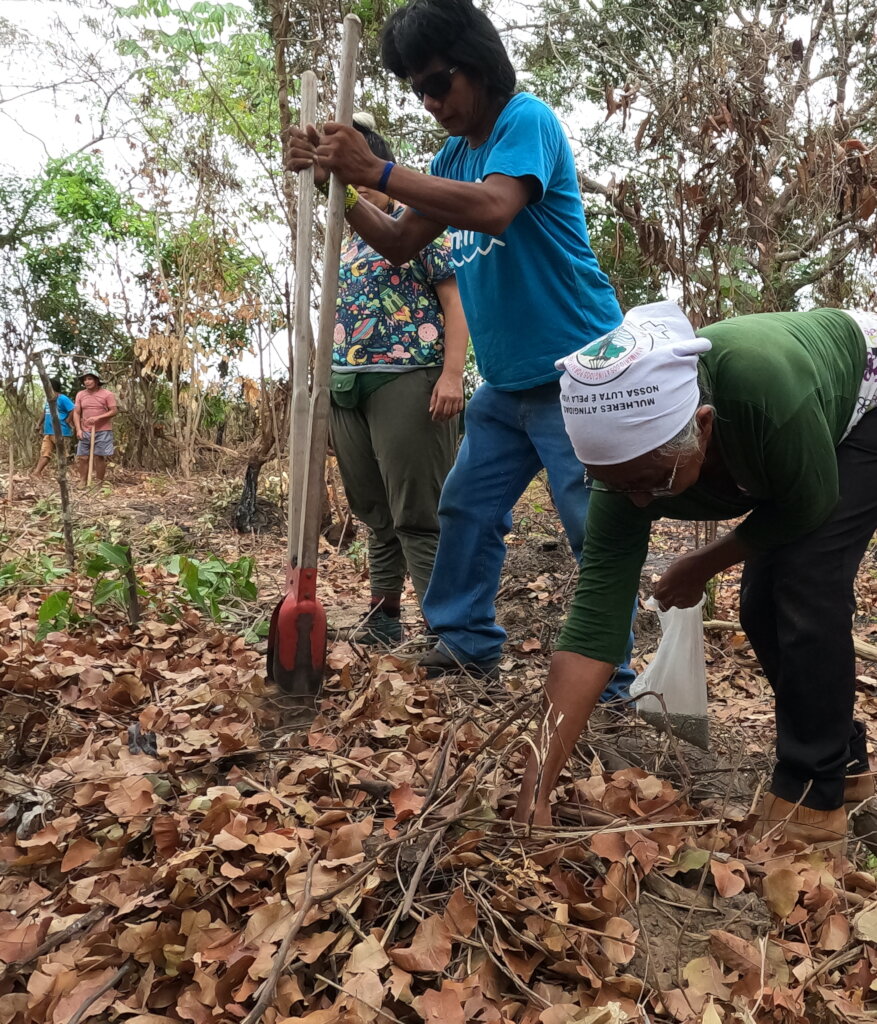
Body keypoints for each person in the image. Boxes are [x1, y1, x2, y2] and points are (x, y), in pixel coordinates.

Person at [287, 0, 635, 695]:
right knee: (465, 509)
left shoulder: (523, 120)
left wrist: (376, 172)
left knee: (591, 528)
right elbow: (397, 241)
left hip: (580, 372)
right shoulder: (451, 155)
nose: (430, 101)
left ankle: (610, 680)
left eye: (438, 82)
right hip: (506, 384)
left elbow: (492, 207)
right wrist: (341, 186)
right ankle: (465, 642)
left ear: (477, 66)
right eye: (417, 89)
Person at [514, 300, 877, 853]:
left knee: (805, 582)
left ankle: (814, 795)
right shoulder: (625, 480)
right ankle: (844, 758)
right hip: (789, 421)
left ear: (702, 428)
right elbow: (595, 625)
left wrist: (703, 562)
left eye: (652, 481)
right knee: (759, 607)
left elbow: (808, 505)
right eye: (617, 485)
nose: (638, 500)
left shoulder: (765, 398)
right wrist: (535, 788)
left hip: (862, 400)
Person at [329, 113, 466, 644]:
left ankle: (442, 628)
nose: (360, 192)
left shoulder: (419, 224)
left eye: (366, 179)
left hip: (408, 375)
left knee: (417, 512)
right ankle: (384, 617)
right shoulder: (342, 241)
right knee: (375, 511)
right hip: (348, 384)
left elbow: (454, 303)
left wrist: (451, 375)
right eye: (349, 184)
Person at [73, 372, 117, 485]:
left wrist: (98, 418)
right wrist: (78, 429)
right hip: (85, 429)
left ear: (96, 381)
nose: (86, 382)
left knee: (99, 456)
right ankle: (83, 480)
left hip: (103, 430)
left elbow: (114, 411)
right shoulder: (80, 394)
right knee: (83, 457)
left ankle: (98, 482)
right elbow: (77, 413)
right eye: (85, 380)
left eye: (89, 379)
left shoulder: (107, 394)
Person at [32, 378, 74, 478]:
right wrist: (39, 424)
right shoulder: (49, 399)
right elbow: (44, 411)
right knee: (45, 453)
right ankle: (36, 473)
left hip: (61, 431)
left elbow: (73, 409)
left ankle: (66, 474)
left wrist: (68, 420)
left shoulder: (63, 398)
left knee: (64, 454)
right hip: (49, 431)